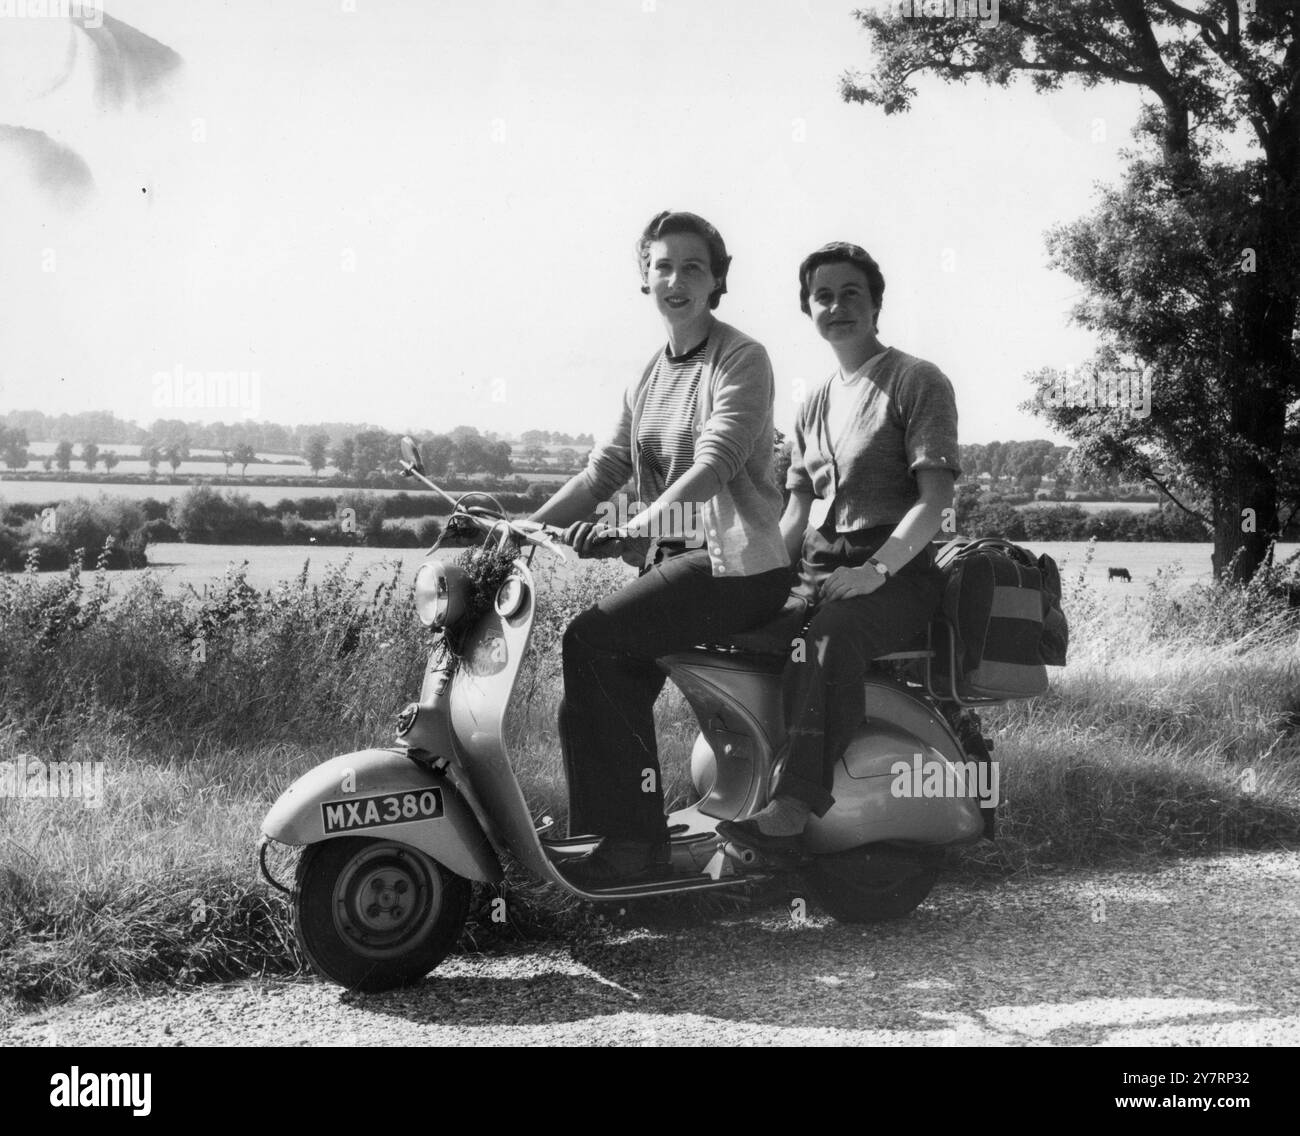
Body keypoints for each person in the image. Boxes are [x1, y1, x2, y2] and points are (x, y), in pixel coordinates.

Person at [528, 210, 791, 886]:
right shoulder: (648, 374)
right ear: (644, 279)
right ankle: (620, 833)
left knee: (593, 640)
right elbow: (603, 471)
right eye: (663, 266)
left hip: (736, 564)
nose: (676, 279)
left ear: (717, 280)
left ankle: (632, 843)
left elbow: (717, 462)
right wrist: (522, 528)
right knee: (600, 666)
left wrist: (639, 523)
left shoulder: (741, 358)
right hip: (676, 562)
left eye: (693, 267)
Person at [718, 242, 960, 852]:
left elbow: (932, 503)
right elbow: (795, 512)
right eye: (822, 296)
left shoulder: (916, 379)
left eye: (851, 292)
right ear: (809, 310)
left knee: (827, 639)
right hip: (823, 560)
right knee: (732, 632)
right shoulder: (815, 402)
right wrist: (754, 572)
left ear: (877, 303)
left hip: (897, 568)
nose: (836, 306)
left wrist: (877, 570)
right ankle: (738, 779)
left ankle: (795, 803)